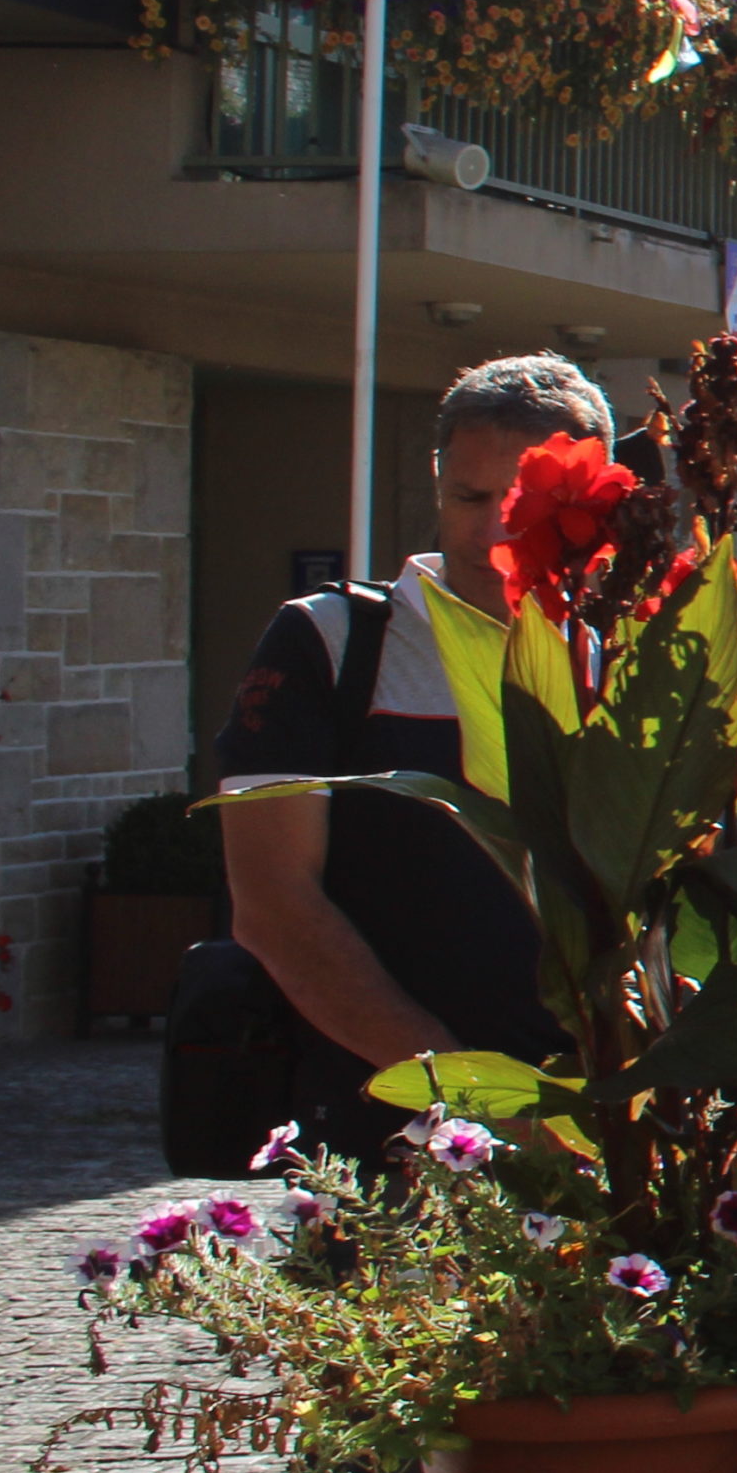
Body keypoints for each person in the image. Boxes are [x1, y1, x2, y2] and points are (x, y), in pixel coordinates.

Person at [218, 355, 616, 1162]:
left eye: (524, 505)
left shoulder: (638, 659)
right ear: (436, 486)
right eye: (470, 498)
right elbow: (273, 905)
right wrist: (473, 1102)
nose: (495, 530)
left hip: (604, 1138)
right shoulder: (331, 644)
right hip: (385, 1138)